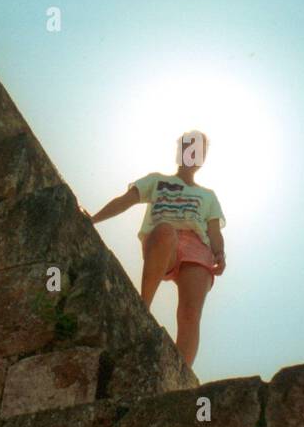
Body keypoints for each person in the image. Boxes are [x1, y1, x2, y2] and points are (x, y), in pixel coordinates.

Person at [82, 130, 225, 367]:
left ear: (202, 158)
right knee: (165, 230)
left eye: (198, 150)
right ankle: (142, 310)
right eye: (188, 146)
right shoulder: (157, 180)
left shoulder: (208, 196)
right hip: (162, 237)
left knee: (190, 315)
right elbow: (125, 200)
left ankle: (181, 374)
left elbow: (214, 231)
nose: (192, 153)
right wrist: (93, 219)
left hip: (198, 247)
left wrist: (219, 253)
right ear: (179, 151)